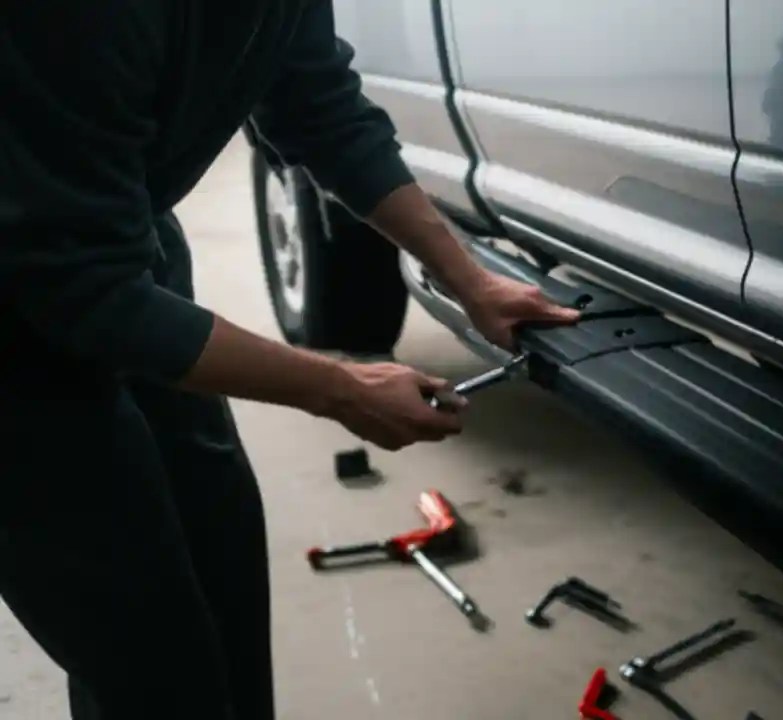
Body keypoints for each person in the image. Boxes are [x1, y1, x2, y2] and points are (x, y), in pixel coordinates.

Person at [0, 2, 578, 718]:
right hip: (27, 309)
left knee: (223, 565)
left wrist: (470, 279)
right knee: (148, 652)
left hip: (112, 237)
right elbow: (82, 292)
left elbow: (318, 106)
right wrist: (339, 387)